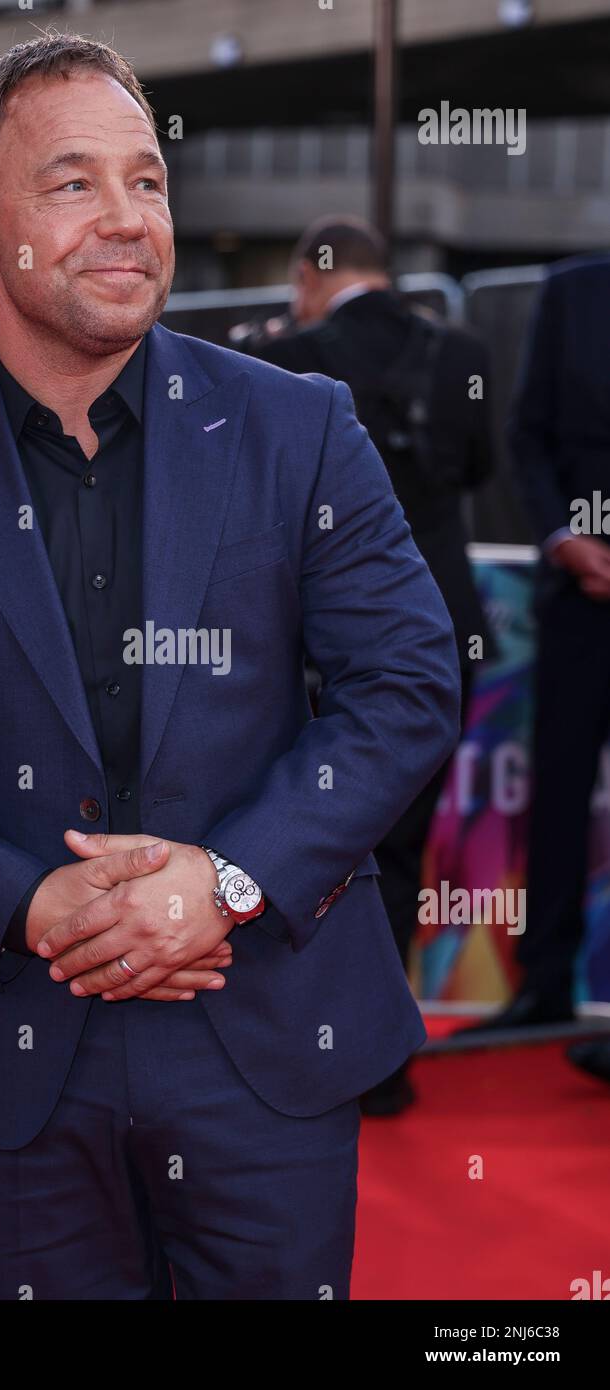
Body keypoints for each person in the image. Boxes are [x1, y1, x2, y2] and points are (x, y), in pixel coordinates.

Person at [0, 33, 459, 1298]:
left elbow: (405, 682)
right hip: (23, 1049)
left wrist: (233, 879)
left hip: (266, 1028)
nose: (128, 220)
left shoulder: (296, 426)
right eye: (73, 182)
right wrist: (25, 904)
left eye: (145, 181)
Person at [243, 218, 495, 1113]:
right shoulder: (461, 349)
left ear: (311, 277)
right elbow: (477, 468)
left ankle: (305, 1056)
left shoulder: (284, 361)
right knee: (400, 847)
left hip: (305, 642)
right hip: (440, 630)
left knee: (304, 844)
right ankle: (383, 1067)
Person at [469, 253, 610, 1075]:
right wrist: (566, 541)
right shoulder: (570, 292)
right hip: (575, 601)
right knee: (557, 797)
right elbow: (527, 433)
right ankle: (545, 985)